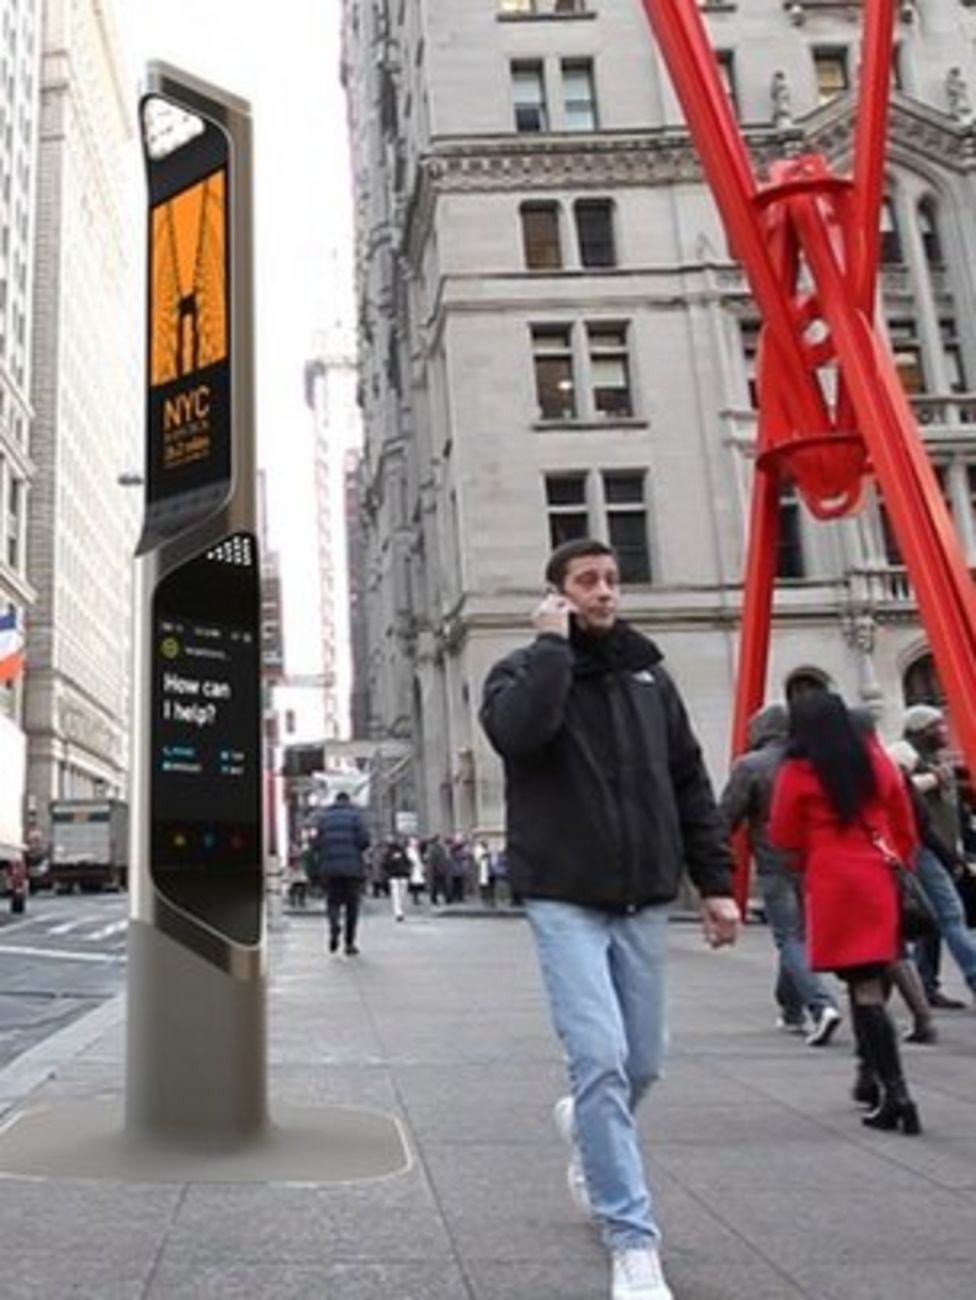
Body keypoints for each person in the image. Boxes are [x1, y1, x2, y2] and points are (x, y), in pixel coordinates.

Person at [480, 537, 739, 1300]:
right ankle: (633, 1240)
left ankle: (589, 1134)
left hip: (642, 893)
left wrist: (717, 884)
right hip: (563, 894)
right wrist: (551, 648)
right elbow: (517, 736)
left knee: (644, 1061)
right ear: (557, 593)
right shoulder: (523, 671)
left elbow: (689, 781)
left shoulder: (649, 677)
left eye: (612, 580)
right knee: (599, 1056)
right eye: (587, 581)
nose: (604, 591)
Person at [768, 691, 922, 1135]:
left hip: (834, 880)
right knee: (871, 979)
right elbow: (903, 819)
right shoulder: (874, 761)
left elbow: (783, 834)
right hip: (877, 875)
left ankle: (894, 1091)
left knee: (863, 986)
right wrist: (898, 860)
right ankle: (879, 1084)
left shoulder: (798, 771)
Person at [719, 704, 842, 1044]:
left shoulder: (750, 766)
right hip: (815, 859)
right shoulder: (813, 763)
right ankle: (791, 1008)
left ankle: (821, 1005)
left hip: (775, 861)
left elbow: (727, 816)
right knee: (797, 936)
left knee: (789, 937)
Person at [888, 736, 976, 1009]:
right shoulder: (906, 782)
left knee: (931, 920)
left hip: (915, 854)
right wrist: (952, 860)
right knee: (950, 915)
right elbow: (923, 826)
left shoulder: (917, 774)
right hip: (924, 853)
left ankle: (924, 983)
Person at [309, 792, 370, 955]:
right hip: (352, 869)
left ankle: (334, 926)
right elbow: (365, 840)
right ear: (348, 801)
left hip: (330, 869)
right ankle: (349, 944)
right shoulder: (356, 817)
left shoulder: (324, 818)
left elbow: (315, 844)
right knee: (352, 906)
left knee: (333, 902)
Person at [381, 835, 411, 922]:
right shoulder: (388, 852)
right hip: (393, 876)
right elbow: (384, 864)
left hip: (403, 875)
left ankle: (400, 909)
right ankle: (398, 913)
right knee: (396, 895)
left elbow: (407, 861)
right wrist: (390, 869)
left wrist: (407, 868)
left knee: (402, 894)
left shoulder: (402, 851)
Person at [425, 834, 449, 906]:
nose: (441, 841)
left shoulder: (441, 848)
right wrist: (436, 869)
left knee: (444, 884)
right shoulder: (432, 848)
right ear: (437, 840)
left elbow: (444, 858)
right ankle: (434, 899)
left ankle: (447, 898)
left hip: (442, 869)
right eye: (440, 840)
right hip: (435, 870)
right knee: (435, 885)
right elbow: (432, 861)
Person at [406, 835, 427, 905]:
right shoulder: (409, 850)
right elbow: (410, 859)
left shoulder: (417, 850)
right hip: (413, 868)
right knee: (414, 884)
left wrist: (422, 865)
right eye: (414, 842)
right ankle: (415, 899)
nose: (416, 843)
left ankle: (416, 898)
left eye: (416, 842)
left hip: (417, 868)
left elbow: (419, 858)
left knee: (417, 884)